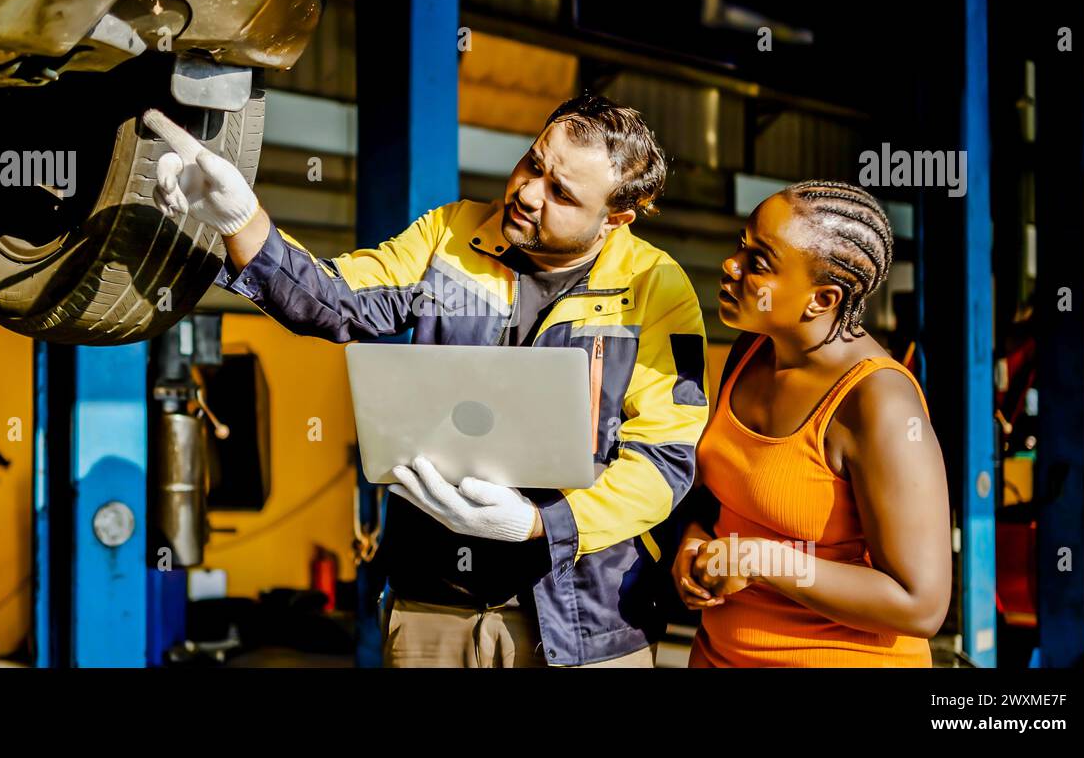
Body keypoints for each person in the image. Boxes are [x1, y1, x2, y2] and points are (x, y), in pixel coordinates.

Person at [145, 94, 709, 667]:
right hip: (434, 603)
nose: (529, 193)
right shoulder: (452, 236)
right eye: (534, 164)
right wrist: (244, 222)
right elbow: (337, 300)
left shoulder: (656, 289)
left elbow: (663, 463)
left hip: (586, 616)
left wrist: (539, 524)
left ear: (616, 218)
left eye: (562, 194)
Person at [672, 180, 951, 667]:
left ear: (822, 299)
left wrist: (763, 561)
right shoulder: (752, 350)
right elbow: (724, 494)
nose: (731, 265)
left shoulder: (878, 403)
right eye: (741, 244)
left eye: (759, 262)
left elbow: (920, 604)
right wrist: (694, 537)